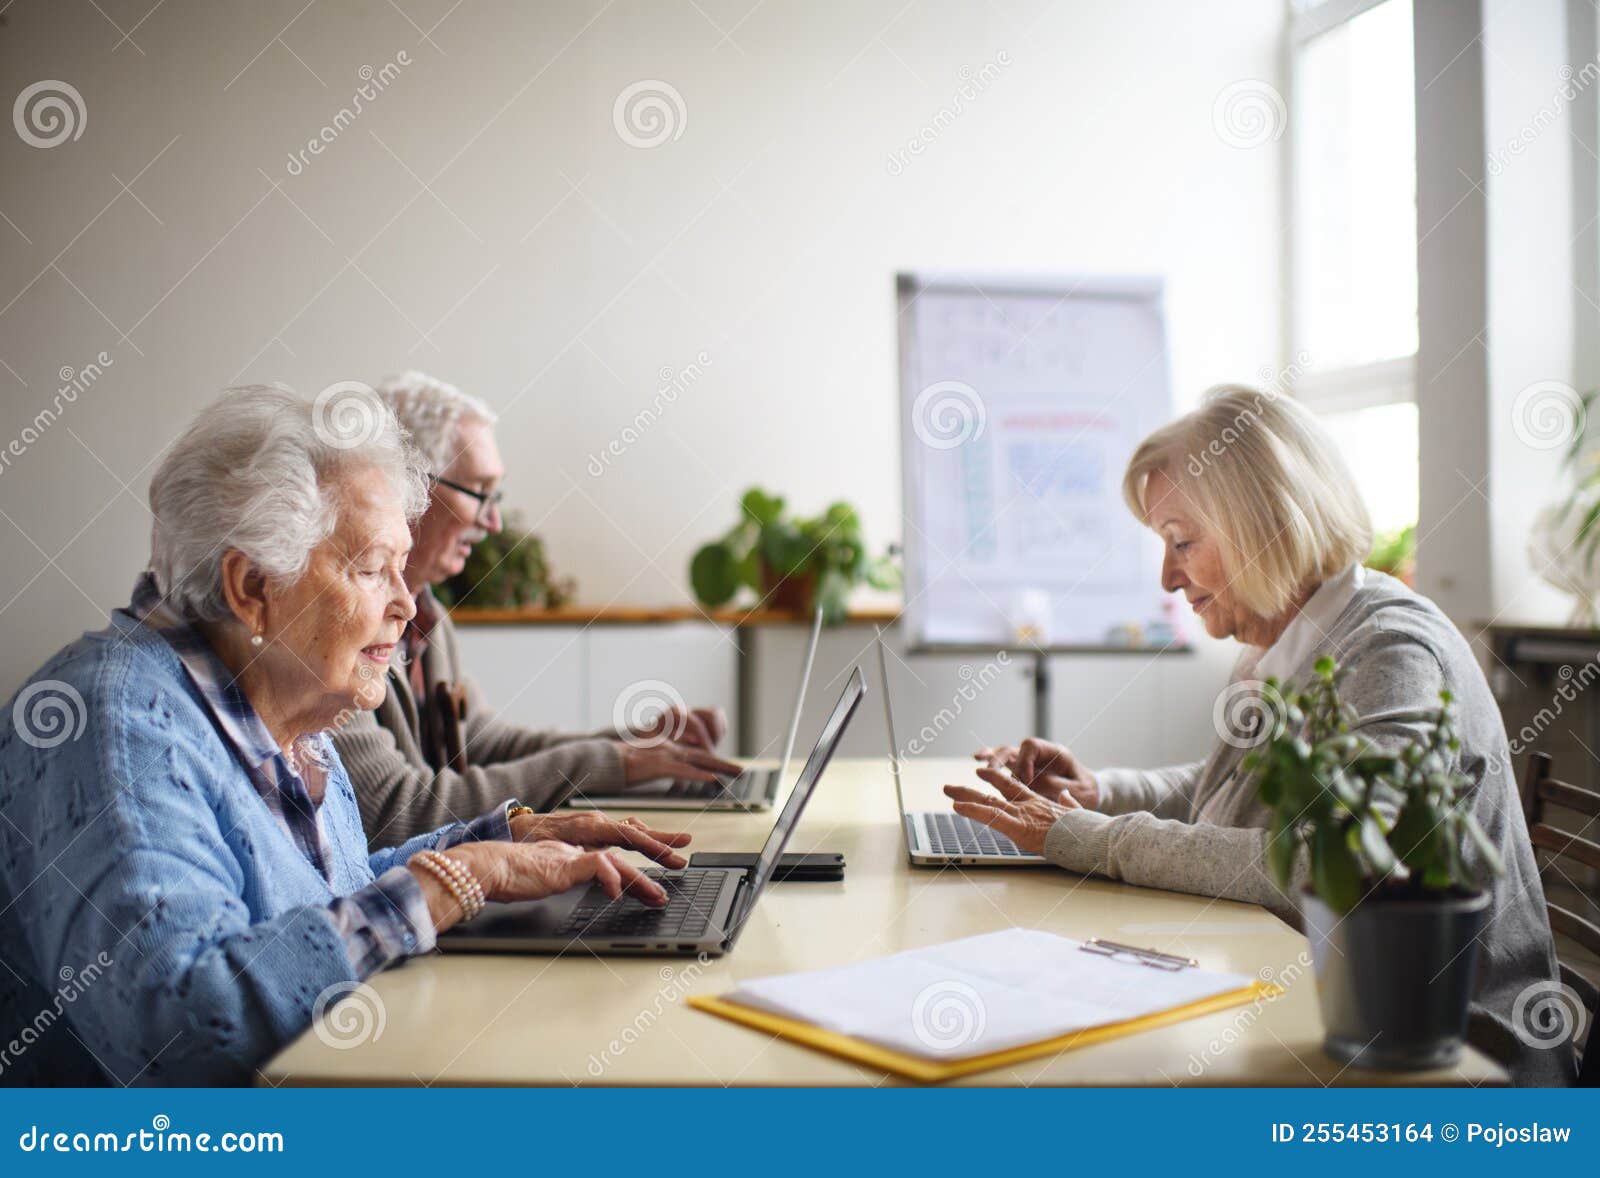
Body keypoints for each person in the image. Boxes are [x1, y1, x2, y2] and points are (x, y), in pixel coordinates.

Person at [0, 386, 691, 1086]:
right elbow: (179, 1028)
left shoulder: (287, 699)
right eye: (369, 569)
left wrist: (500, 844)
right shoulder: (117, 727)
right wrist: (454, 884)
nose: (405, 603)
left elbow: (332, 898)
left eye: (402, 566)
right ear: (252, 587)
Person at [947, 384, 1570, 1086]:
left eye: (1183, 542)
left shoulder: (1392, 650)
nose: (1167, 576)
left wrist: (1089, 838)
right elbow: (1233, 791)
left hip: (1456, 1062)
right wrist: (1101, 792)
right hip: (1337, 1004)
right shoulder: (1284, 636)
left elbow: (1350, 868)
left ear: (1264, 524)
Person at [331, 371, 740, 849]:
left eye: (495, 494)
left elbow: (481, 744)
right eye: (478, 490)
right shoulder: (340, 632)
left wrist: (628, 745)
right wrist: (608, 762)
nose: (494, 519)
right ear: (406, 488)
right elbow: (398, 812)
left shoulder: (427, 618)